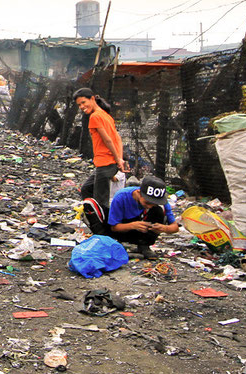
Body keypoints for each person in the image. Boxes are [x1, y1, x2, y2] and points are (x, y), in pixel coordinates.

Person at [73, 87, 127, 236]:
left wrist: (118, 161)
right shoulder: (105, 115)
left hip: (106, 163)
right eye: (79, 105)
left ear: (92, 99)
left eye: (84, 102)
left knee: (100, 202)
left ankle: (105, 234)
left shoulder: (96, 117)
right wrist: (119, 159)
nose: (82, 107)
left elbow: (109, 140)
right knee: (86, 189)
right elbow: (118, 139)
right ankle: (95, 223)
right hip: (105, 164)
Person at [107, 175, 179, 259]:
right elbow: (113, 227)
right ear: (138, 193)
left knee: (158, 211)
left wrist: (164, 228)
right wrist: (133, 225)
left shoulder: (163, 202)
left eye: (154, 203)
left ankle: (144, 246)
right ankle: (123, 245)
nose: (150, 206)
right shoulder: (121, 197)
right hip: (124, 230)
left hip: (145, 231)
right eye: (147, 203)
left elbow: (175, 227)